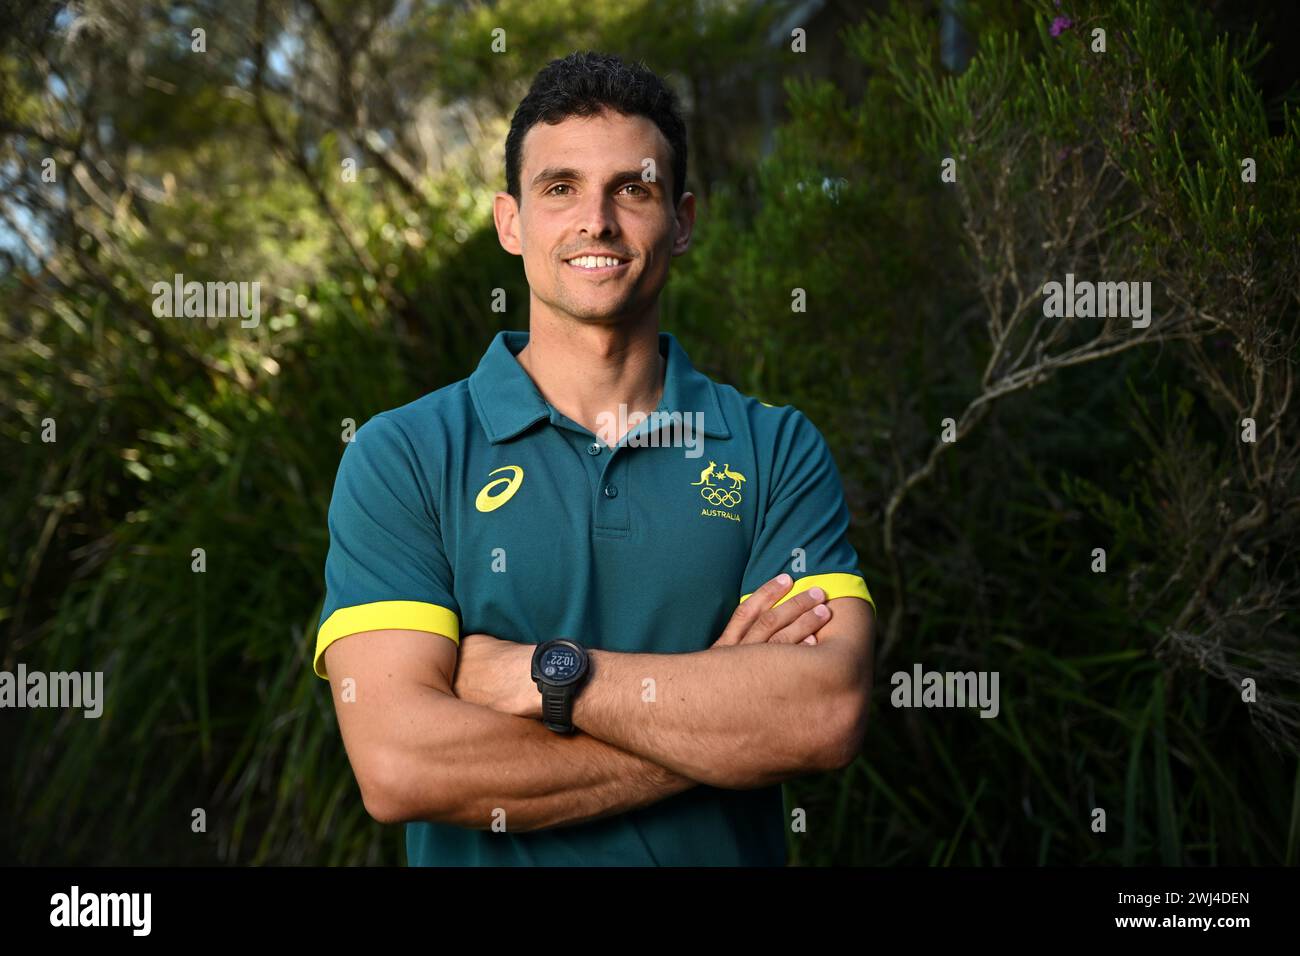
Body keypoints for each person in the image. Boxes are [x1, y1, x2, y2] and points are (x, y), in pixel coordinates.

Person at [313, 50, 876, 866]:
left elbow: (823, 714)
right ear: (511, 222)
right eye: (560, 188)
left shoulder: (774, 448)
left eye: (634, 189)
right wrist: (717, 718)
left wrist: (541, 673)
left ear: (681, 221)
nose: (597, 222)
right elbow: (401, 766)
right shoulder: (402, 456)